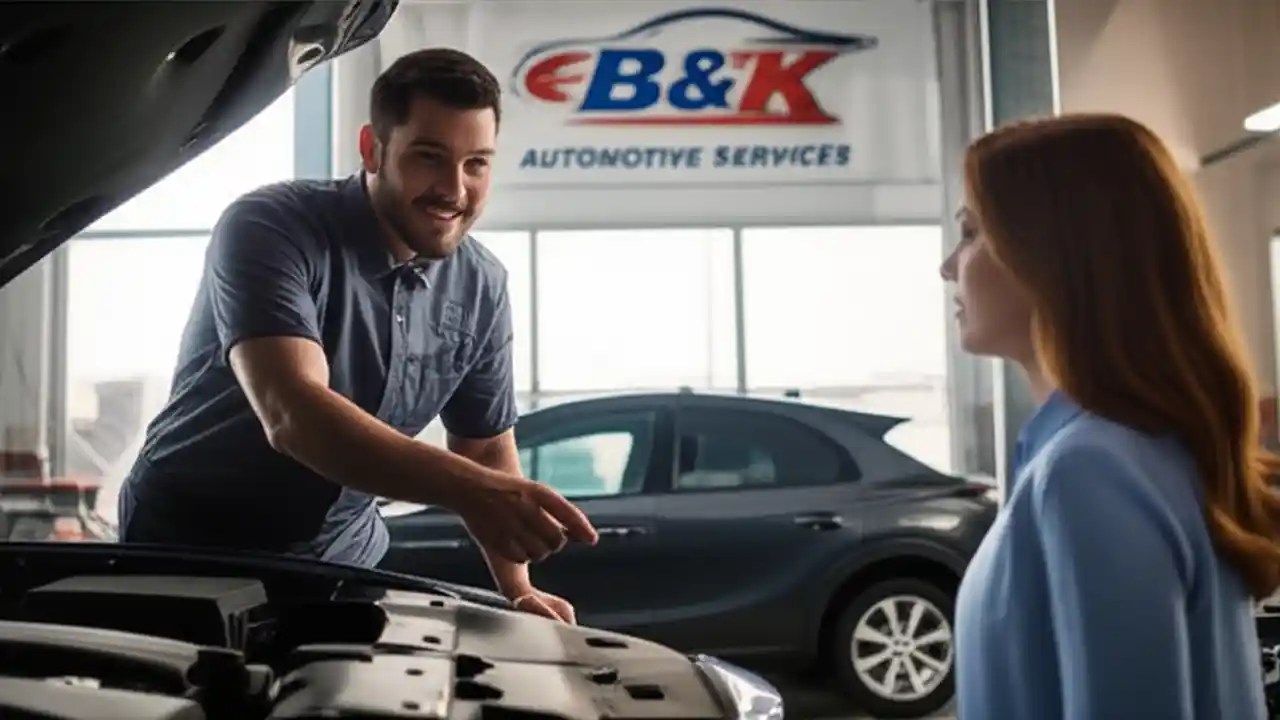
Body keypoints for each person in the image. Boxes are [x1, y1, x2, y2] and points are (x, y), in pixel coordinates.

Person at [117, 48, 597, 623]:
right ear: (372, 149)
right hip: (189, 547)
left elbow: (485, 446)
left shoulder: (482, 284)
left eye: (476, 164)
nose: (455, 189)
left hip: (342, 560)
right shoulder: (270, 226)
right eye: (429, 157)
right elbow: (293, 413)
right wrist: (471, 490)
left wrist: (518, 589)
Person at [941, 113, 1280, 719]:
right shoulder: (1124, 452)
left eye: (970, 232)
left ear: (1052, 253)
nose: (948, 265)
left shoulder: (1089, 468)